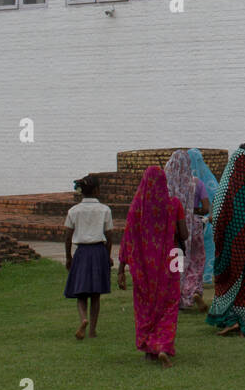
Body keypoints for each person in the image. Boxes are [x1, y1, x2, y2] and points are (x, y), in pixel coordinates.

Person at [117, 165, 187, 366]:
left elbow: (127, 239)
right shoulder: (174, 204)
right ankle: (163, 344)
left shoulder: (136, 208)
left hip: (143, 265)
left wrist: (121, 269)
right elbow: (184, 235)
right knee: (170, 302)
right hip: (172, 259)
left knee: (145, 305)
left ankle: (149, 349)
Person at [205, 147, 245, 336]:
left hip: (232, 242)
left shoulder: (225, 188)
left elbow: (215, 217)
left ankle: (230, 319)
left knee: (230, 278)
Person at [63, 174, 114, 340]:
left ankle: (83, 318)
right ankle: (92, 330)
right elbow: (109, 235)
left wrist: (69, 257)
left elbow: (68, 236)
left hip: (82, 252)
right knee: (96, 294)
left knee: (81, 293)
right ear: (97, 190)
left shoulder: (74, 211)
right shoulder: (105, 210)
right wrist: (107, 255)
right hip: (98, 250)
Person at [166, 150, 210, 312]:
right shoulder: (197, 183)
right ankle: (192, 292)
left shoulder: (168, 185)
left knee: (176, 264)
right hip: (195, 228)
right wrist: (193, 211)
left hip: (175, 230)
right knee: (195, 262)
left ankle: (176, 297)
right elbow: (206, 208)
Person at [186, 149, 219, 286]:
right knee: (206, 251)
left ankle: (187, 278)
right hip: (205, 221)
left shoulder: (179, 180)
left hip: (184, 223)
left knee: (188, 252)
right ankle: (205, 277)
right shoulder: (205, 180)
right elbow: (214, 201)